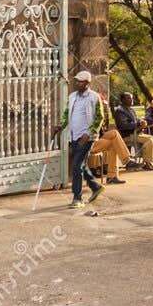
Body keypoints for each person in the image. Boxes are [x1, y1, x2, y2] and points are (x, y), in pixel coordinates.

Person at [54, 70, 106, 209]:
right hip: (74, 136)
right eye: (77, 81)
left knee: (77, 167)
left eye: (81, 81)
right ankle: (95, 187)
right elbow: (66, 114)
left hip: (86, 138)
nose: (78, 83)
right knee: (81, 165)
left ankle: (77, 198)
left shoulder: (94, 97)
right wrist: (61, 125)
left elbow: (100, 118)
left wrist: (89, 134)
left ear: (88, 83)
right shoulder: (72, 97)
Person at [114, 92, 153, 169]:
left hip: (137, 133)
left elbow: (136, 120)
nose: (131, 100)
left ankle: (150, 162)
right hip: (128, 135)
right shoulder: (120, 110)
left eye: (131, 98)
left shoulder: (130, 109)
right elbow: (124, 125)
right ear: (122, 100)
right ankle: (147, 163)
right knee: (149, 140)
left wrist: (141, 121)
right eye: (129, 98)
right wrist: (139, 124)